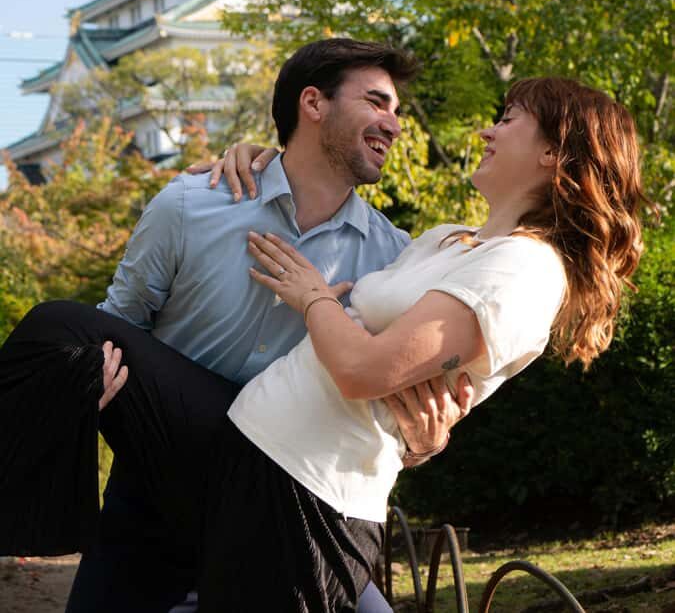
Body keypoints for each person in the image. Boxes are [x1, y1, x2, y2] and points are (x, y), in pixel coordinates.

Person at [0, 73, 646, 613]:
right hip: (241, 445)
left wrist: (313, 299)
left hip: (307, 489)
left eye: (507, 119)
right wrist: (264, 158)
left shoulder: (524, 268)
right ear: (312, 104)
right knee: (61, 332)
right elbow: (377, 340)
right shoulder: (445, 241)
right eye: (375, 102)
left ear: (554, 152)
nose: (486, 131)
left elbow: (367, 371)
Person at [64, 39, 471, 613]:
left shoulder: (393, 261)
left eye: (397, 111)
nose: (395, 124)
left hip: (292, 513)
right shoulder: (189, 206)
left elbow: (394, 400)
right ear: (314, 103)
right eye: (377, 103)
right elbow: (118, 327)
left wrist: (426, 442)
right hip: (157, 496)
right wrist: (91, 384)